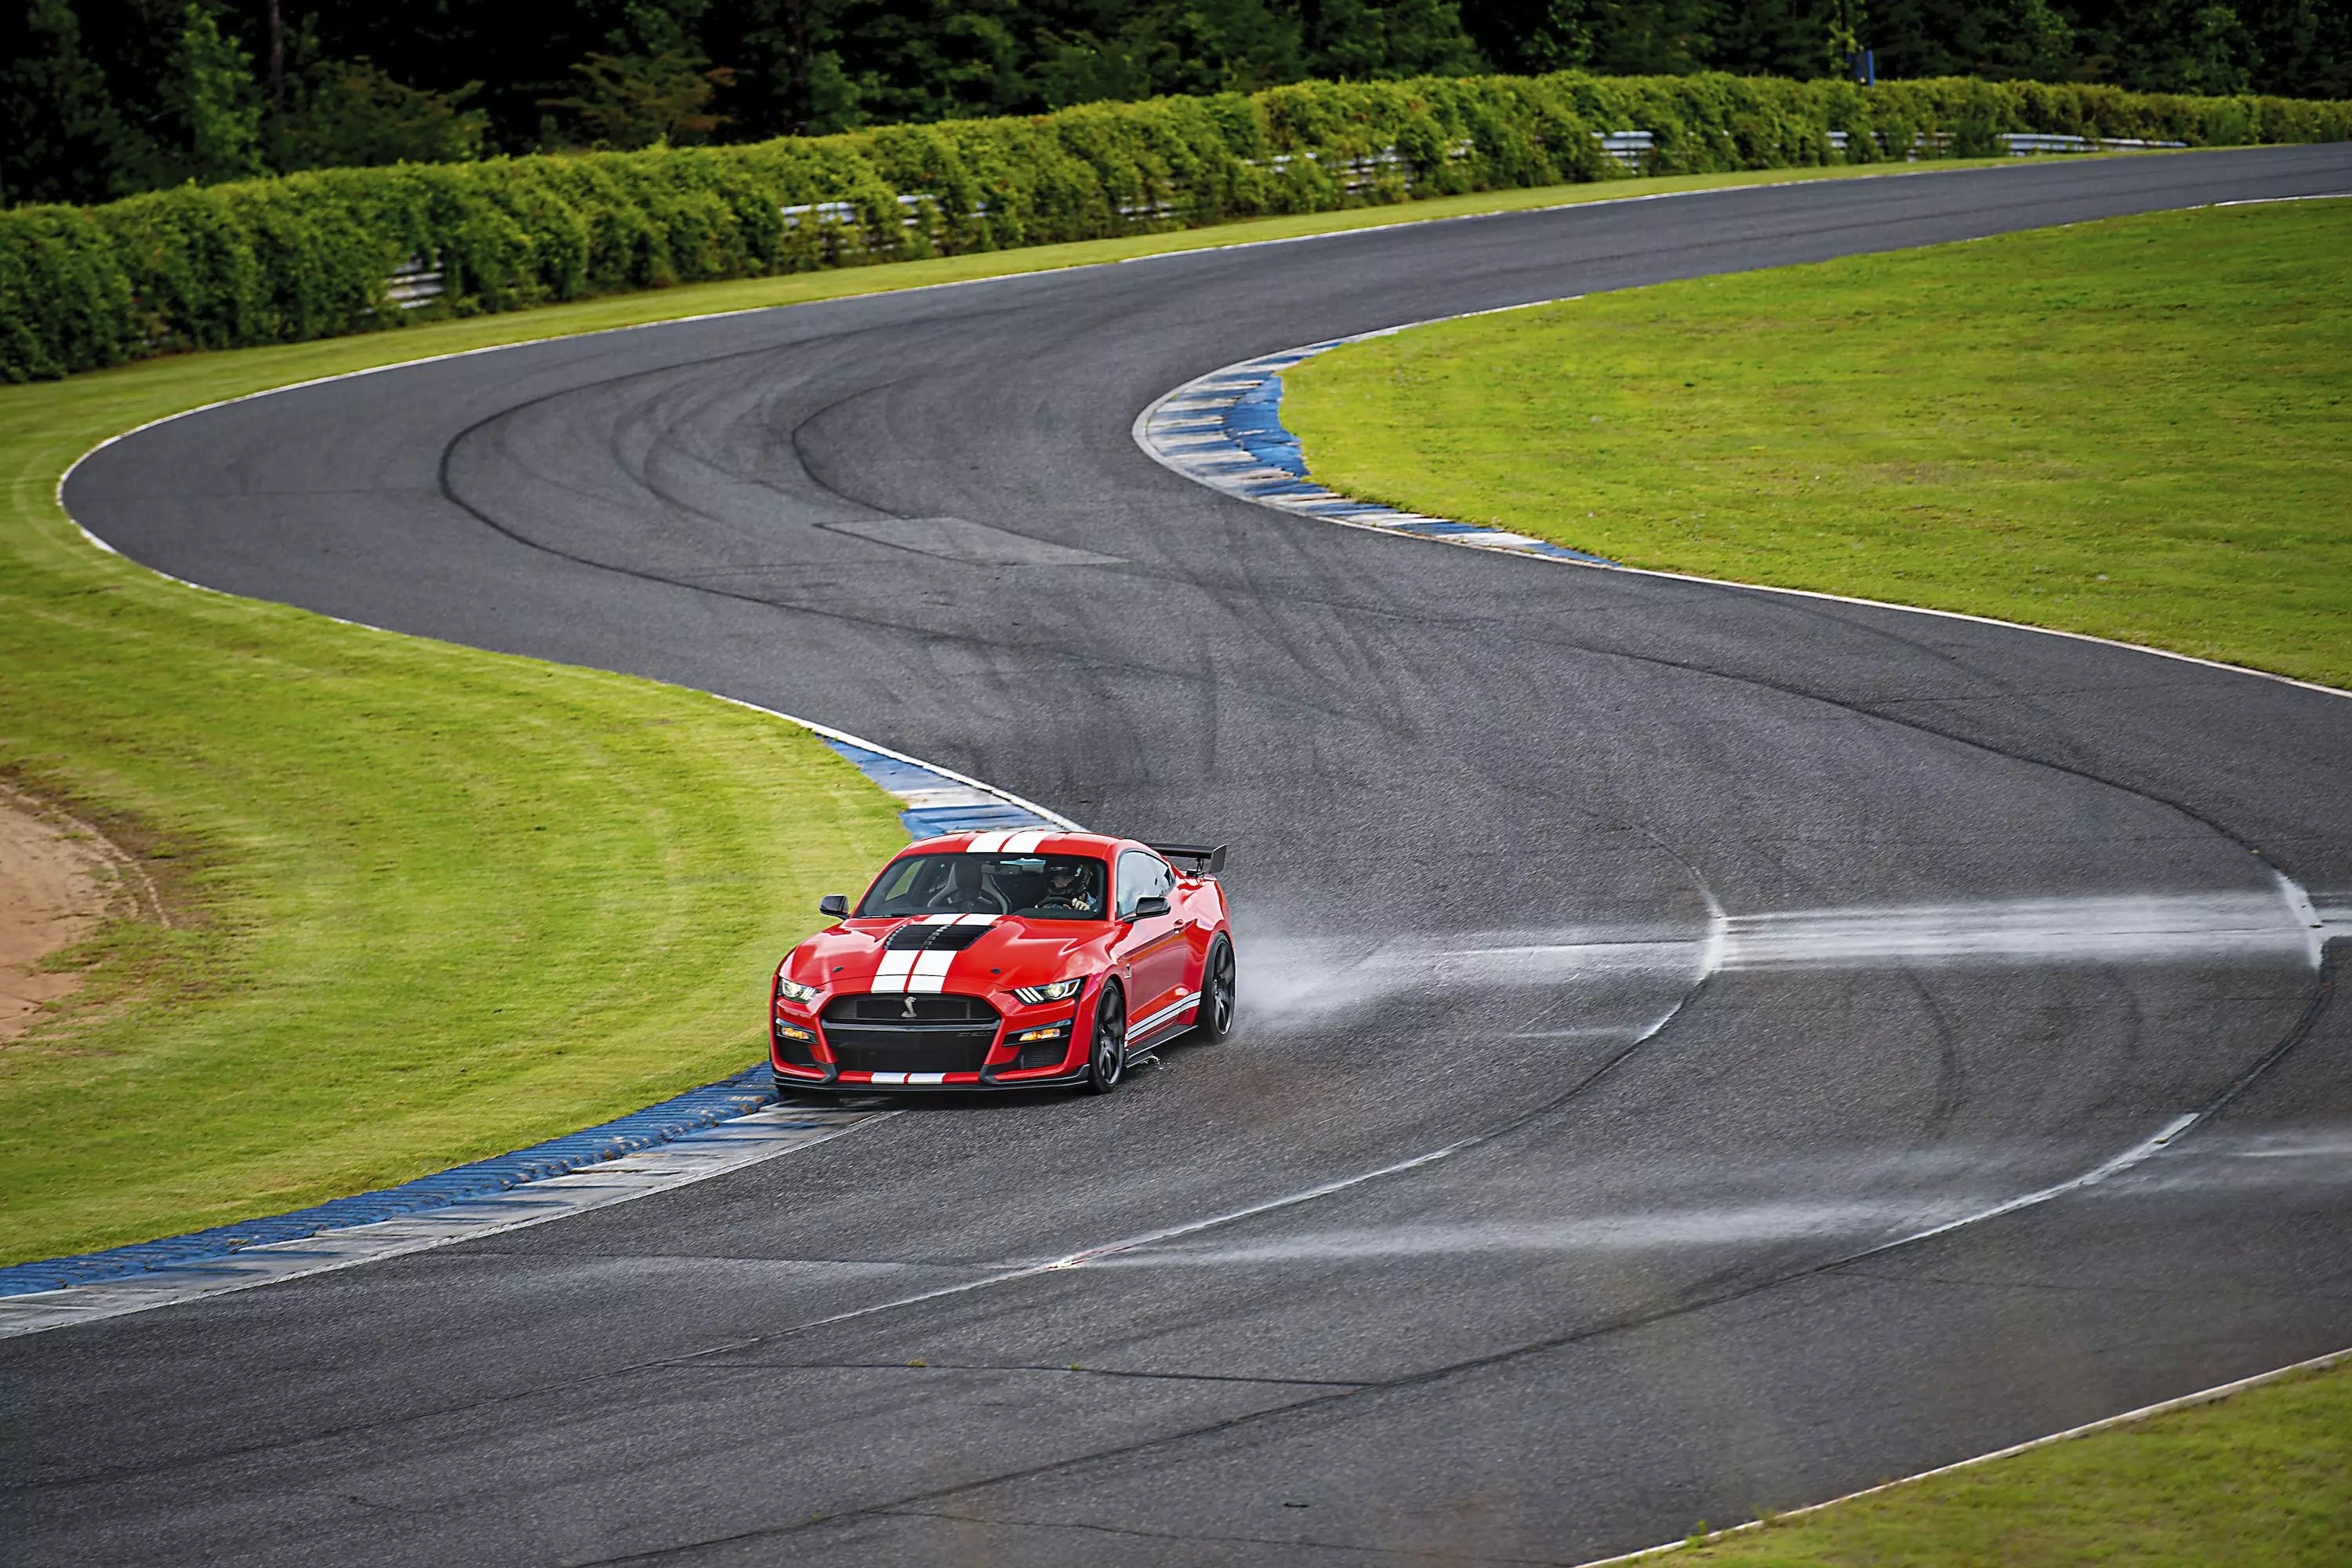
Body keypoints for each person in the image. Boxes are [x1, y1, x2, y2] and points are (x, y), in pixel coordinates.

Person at [1033, 859, 1101, 915]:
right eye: (1055, 878)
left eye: (1065, 877)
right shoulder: (1045, 908)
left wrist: (1087, 915)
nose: (1059, 884)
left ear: (1082, 877)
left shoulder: (1101, 909)